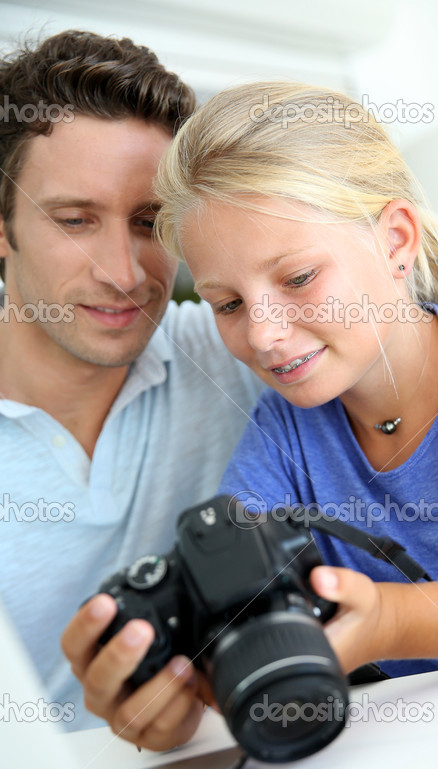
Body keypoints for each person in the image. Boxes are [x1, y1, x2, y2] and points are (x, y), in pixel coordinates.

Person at [62, 80, 438, 750]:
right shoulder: (283, 438)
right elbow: (240, 609)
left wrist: (400, 620)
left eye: (298, 279)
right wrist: (186, 688)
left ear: (394, 240)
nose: (264, 334)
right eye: (228, 304)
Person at [0, 32, 262, 729]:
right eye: (76, 220)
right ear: (3, 226)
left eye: (150, 222)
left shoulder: (248, 349)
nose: (123, 272)